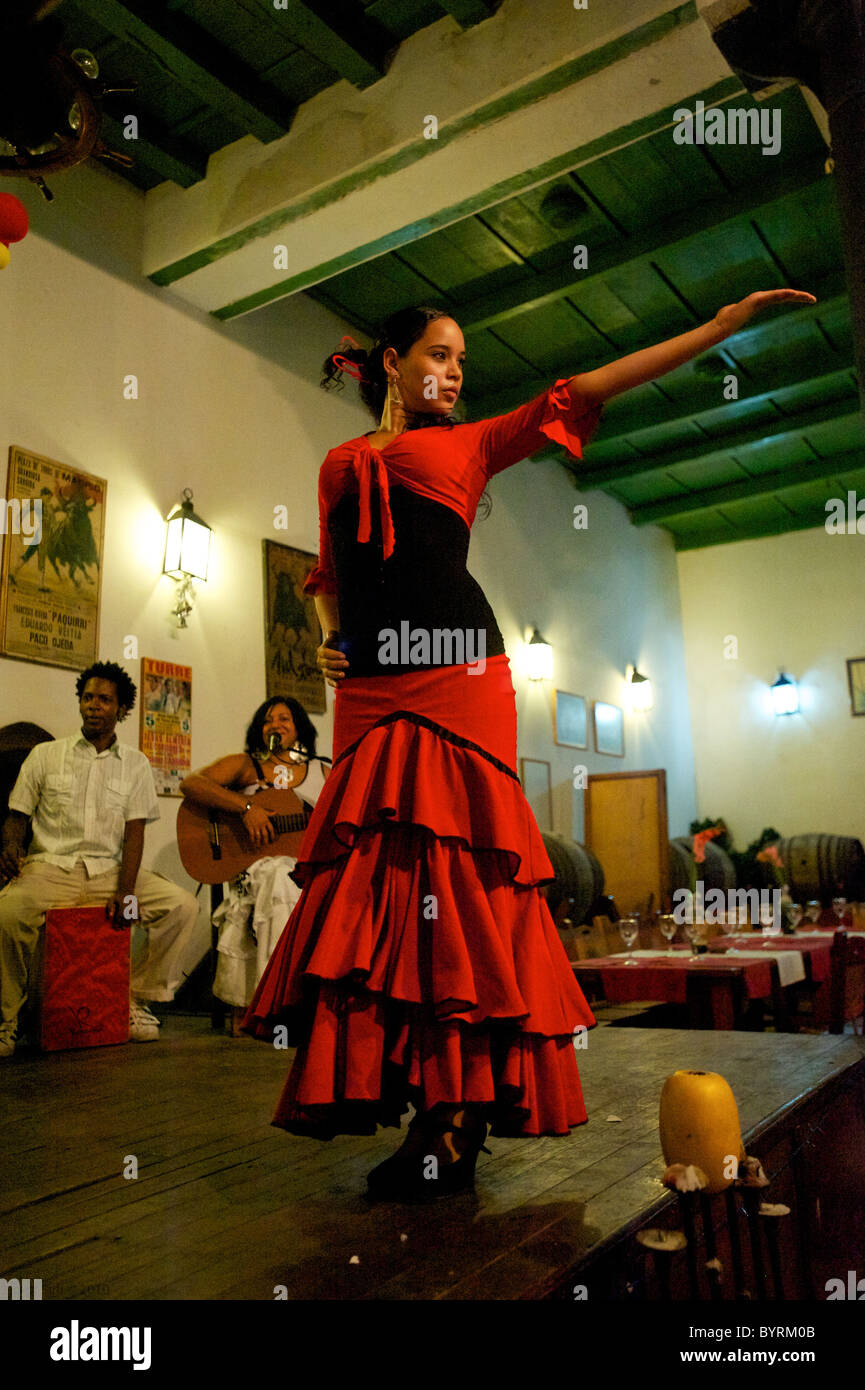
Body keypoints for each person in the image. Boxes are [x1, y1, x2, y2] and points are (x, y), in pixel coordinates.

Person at [244, 290, 815, 1200]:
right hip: (370, 690)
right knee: (377, 892)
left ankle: (458, 1116)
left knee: (460, 887)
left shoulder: (469, 445)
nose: (454, 372)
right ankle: (411, 1091)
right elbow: (327, 572)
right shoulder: (339, 463)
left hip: (458, 675)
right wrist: (328, 636)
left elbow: (577, 389)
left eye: (461, 360)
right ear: (391, 362)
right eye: (437, 353)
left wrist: (710, 331)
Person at [0, 661, 200, 1058]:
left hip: (110, 871)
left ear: (122, 710)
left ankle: (135, 1002)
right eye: (88, 697)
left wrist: (126, 892)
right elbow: (17, 816)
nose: (93, 705)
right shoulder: (44, 756)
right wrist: (10, 847)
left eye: (104, 700)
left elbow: (135, 833)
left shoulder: (137, 764)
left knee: (182, 906)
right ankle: (6, 1021)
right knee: (6, 915)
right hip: (50, 868)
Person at [179, 697, 329, 1021]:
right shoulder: (246, 765)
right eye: (267, 720)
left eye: (284, 719)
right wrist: (247, 809)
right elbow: (191, 783)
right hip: (254, 865)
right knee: (282, 877)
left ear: (299, 727)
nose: (274, 725)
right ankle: (277, 1002)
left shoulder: (322, 770)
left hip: (307, 864)